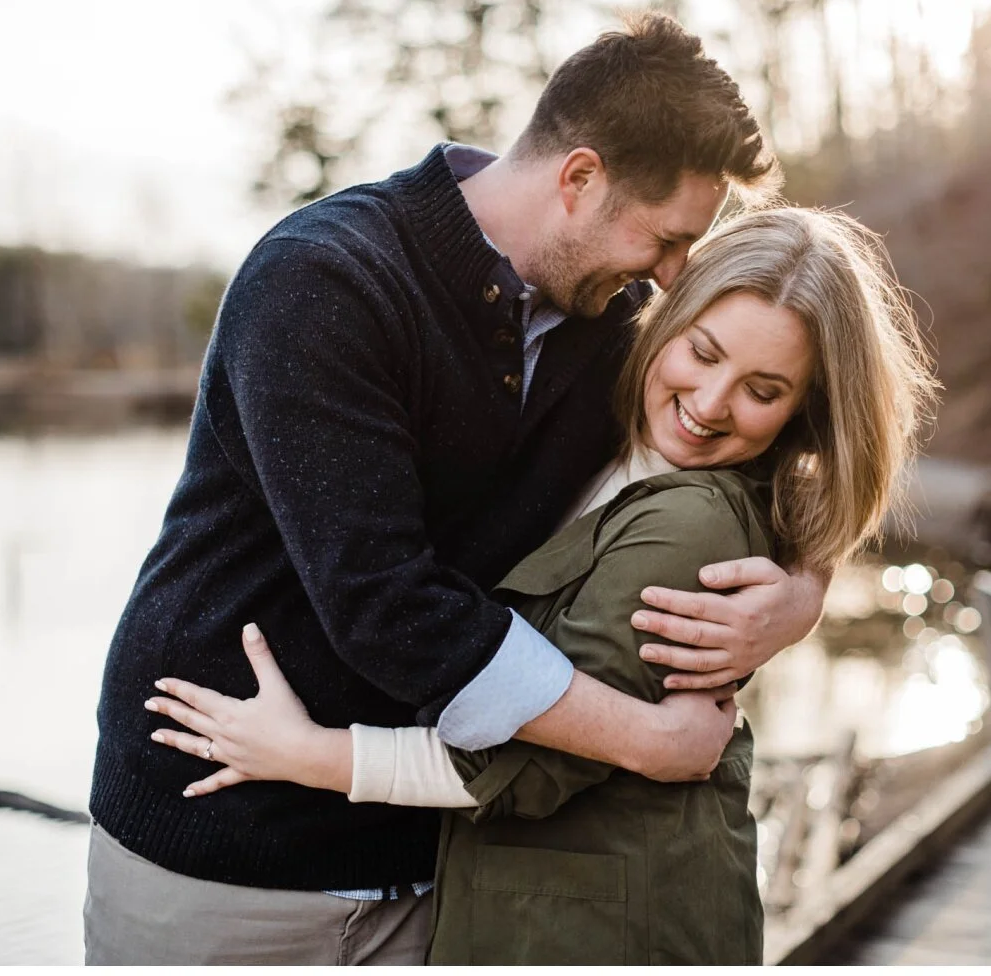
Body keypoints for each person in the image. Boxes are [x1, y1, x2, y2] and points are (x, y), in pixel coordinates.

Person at [84, 15, 833, 966]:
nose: (675, 276)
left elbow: (795, 447)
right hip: (224, 837)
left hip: (439, 860)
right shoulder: (326, 280)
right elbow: (386, 604)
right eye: (668, 239)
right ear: (580, 179)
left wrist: (802, 593)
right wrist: (647, 738)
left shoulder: (615, 322)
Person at [145, 206, 940, 963]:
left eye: (764, 391)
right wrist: (805, 592)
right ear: (666, 317)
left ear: (804, 408)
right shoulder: (593, 415)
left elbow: (527, 761)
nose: (709, 403)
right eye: (702, 352)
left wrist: (312, 755)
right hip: (538, 905)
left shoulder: (689, 526)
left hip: (607, 925)